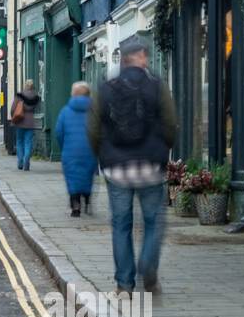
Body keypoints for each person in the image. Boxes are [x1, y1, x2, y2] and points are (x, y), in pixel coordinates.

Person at [88, 38, 177, 295]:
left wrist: (104, 157)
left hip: (117, 170)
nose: (146, 59)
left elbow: (94, 128)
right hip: (150, 167)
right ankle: (148, 268)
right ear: (139, 57)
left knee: (121, 225)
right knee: (153, 223)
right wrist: (163, 152)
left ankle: (124, 284)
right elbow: (170, 123)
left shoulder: (106, 88)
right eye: (144, 55)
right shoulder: (156, 86)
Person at [55, 82, 96, 216]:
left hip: (70, 152)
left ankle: (75, 204)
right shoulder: (94, 111)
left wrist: (64, 147)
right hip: (90, 151)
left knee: (72, 177)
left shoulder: (65, 111)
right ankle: (88, 199)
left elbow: (59, 133)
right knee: (88, 175)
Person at [11, 81, 42, 170]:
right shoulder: (36, 97)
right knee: (28, 142)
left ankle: (20, 161)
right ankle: (26, 161)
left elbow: (13, 109)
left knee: (19, 141)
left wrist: (13, 117)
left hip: (20, 121)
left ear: (25, 85)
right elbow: (38, 108)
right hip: (30, 122)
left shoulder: (20, 95)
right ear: (33, 87)